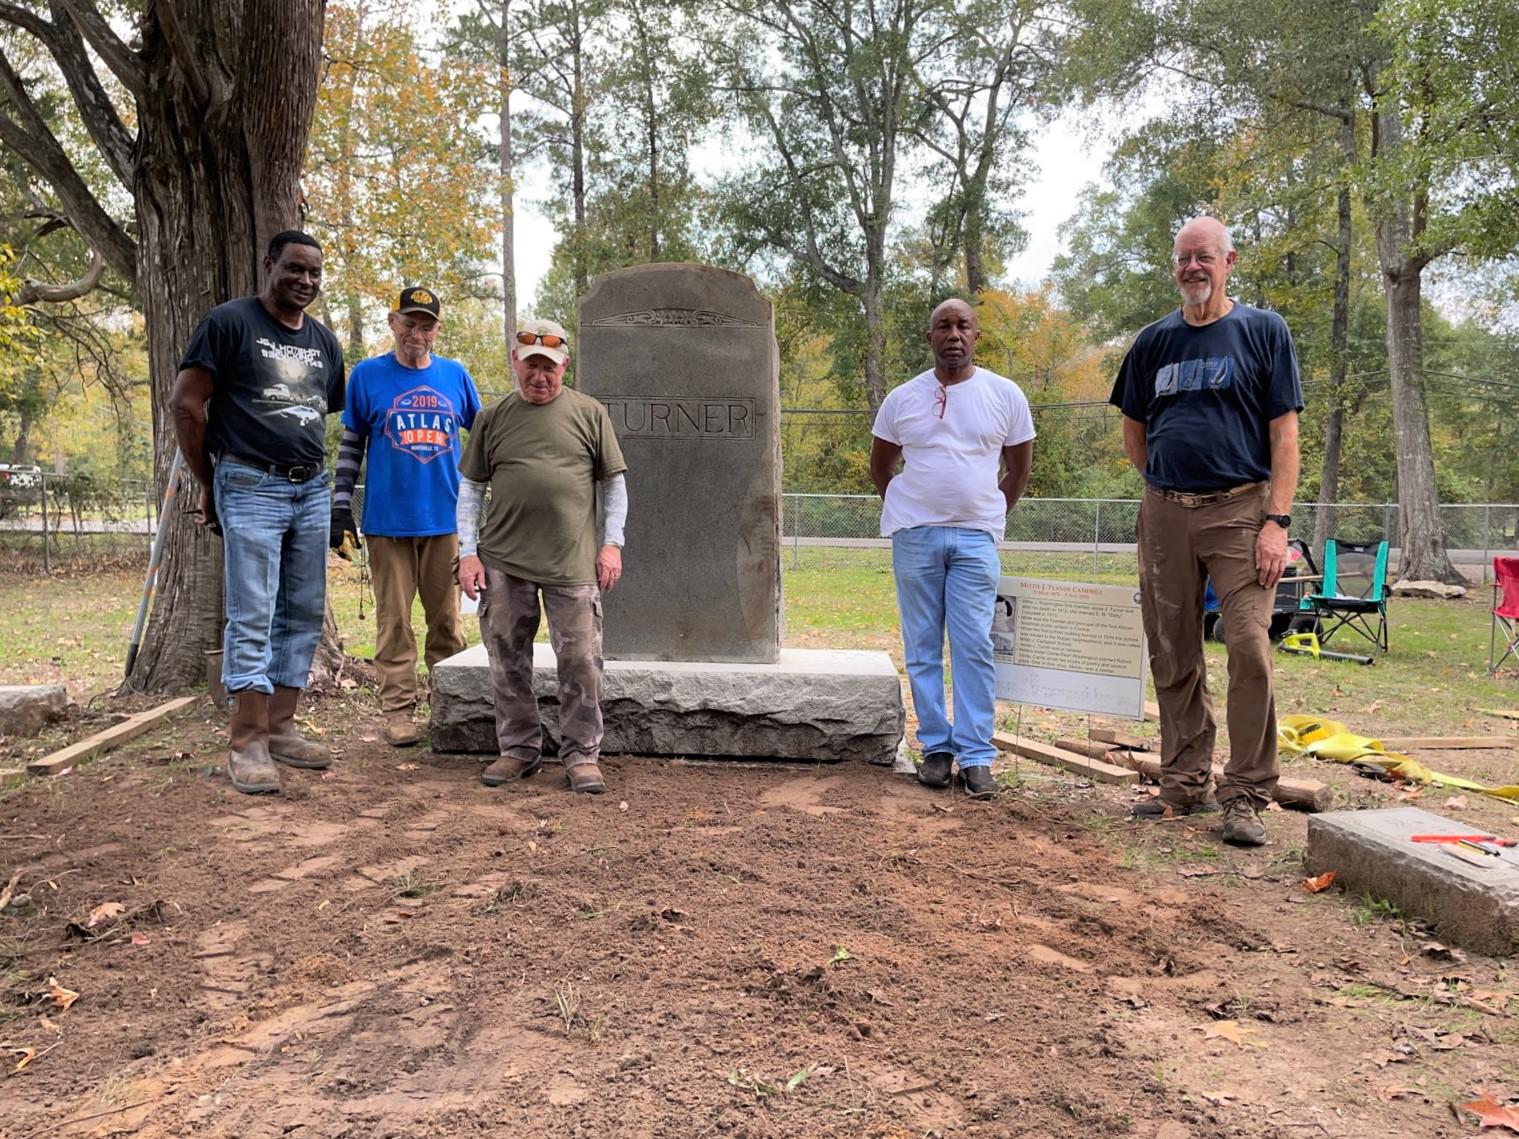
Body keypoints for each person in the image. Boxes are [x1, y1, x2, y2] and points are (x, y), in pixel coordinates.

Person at [1109, 216, 1303, 847]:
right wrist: (1165, 488)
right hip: (1165, 513)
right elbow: (1135, 432)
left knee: (1247, 644)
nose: (1193, 268)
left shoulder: (1263, 331)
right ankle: (1184, 784)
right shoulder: (1152, 342)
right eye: (1184, 258)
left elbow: (1284, 435)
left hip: (1242, 512)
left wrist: (1276, 521)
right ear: (1175, 267)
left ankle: (1246, 792)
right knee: (1171, 647)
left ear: (1229, 261)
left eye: (1205, 257)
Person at [171, 230, 346, 795]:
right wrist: (211, 481)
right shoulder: (229, 323)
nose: (306, 281)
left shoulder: (324, 341)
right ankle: (246, 742)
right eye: (295, 268)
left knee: (303, 612)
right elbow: (185, 404)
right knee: (253, 613)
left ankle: (281, 728)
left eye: (315, 274)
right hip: (249, 483)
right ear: (269, 263)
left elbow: (318, 414)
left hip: (311, 488)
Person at [870, 298, 1035, 800]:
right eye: (944, 326)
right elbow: (882, 465)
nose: (954, 334)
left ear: (977, 335)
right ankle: (937, 749)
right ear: (930, 338)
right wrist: (911, 510)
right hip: (916, 537)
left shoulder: (1004, 395)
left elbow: (1019, 467)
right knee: (922, 648)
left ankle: (978, 755)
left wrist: (987, 512)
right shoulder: (902, 398)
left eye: (963, 325)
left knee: (973, 647)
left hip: (975, 538)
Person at [455, 319, 628, 795]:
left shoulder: (590, 414)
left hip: (573, 562)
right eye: (531, 365)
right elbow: (470, 488)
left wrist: (611, 543)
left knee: (581, 660)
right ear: (516, 362)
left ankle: (581, 754)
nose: (540, 376)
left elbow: (614, 485)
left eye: (549, 368)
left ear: (564, 366)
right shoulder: (492, 418)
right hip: (503, 561)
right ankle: (519, 749)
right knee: (507, 656)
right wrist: (467, 554)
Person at [332, 286, 481, 746]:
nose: (417, 332)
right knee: (393, 622)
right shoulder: (367, 377)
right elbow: (352, 444)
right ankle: (399, 711)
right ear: (392, 322)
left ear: (437, 330)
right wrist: (339, 505)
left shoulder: (455, 376)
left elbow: (486, 439)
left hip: (445, 522)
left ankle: (448, 706)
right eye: (409, 322)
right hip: (386, 524)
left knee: (446, 623)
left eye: (426, 324)